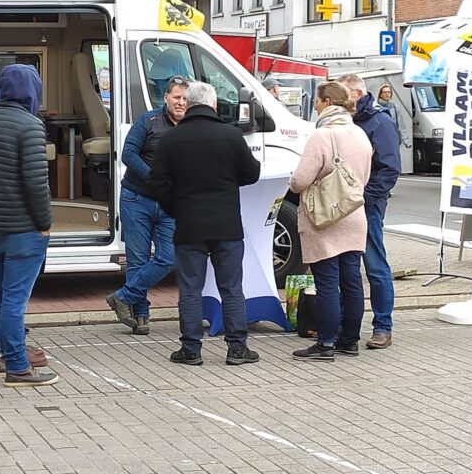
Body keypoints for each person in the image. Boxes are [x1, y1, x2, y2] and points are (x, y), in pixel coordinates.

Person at [148, 81, 261, 366]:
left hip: (189, 226)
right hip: (227, 226)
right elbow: (251, 174)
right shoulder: (231, 136)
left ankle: (191, 349)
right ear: (213, 105)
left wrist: (175, 207)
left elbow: (156, 182)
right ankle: (237, 348)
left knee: (190, 289)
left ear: (188, 104)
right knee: (232, 287)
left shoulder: (171, 139)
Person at [0, 64, 57, 387]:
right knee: (14, 301)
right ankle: (18, 366)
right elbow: (36, 184)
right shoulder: (30, 126)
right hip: (23, 229)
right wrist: (45, 223)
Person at [287, 82, 372, 360]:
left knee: (326, 283)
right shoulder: (360, 134)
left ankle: (324, 343)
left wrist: (292, 180)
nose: (314, 105)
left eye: (317, 101)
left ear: (326, 102)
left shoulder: (322, 135)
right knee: (351, 281)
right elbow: (364, 177)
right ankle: (350, 340)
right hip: (353, 214)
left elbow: (300, 180)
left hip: (325, 218)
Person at [105, 76, 190, 335]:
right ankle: (141, 315)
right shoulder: (148, 120)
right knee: (137, 260)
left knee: (169, 257)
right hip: (136, 199)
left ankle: (123, 297)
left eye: (185, 98)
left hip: (169, 204)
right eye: (177, 97)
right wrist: (156, 178)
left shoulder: (191, 127)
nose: (181, 103)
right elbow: (128, 153)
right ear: (165, 98)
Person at [334, 74, 399, 350]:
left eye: (342, 94)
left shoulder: (379, 121)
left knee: (374, 264)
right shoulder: (346, 121)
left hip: (366, 205)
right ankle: (342, 325)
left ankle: (383, 326)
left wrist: (362, 199)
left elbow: (389, 168)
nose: (338, 100)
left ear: (357, 94)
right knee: (343, 268)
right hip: (344, 204)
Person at [378, 84, 410, 149]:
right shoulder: (377, 107)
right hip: (381, 140)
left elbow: (401, 126)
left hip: (394, 139)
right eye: (385, 92)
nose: (387, 94)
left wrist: (405, 141)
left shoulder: (395, 107)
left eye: (389, 92)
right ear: (380, 94)